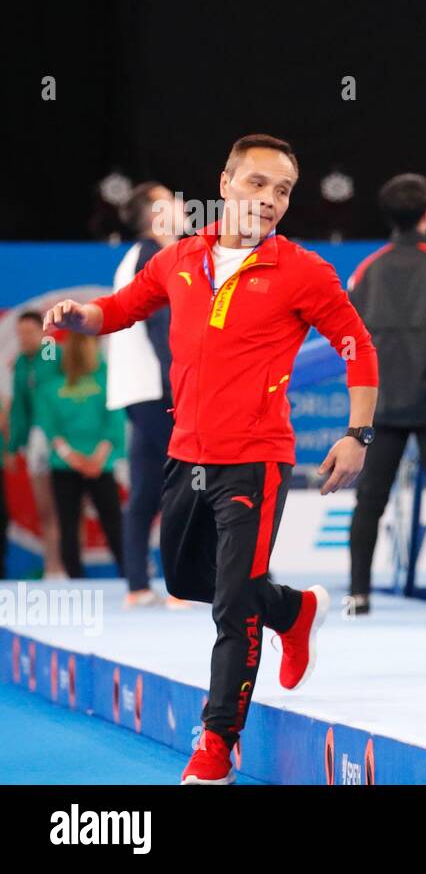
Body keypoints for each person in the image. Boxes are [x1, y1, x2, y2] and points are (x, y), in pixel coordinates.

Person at [43, 133, 380, 782]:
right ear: (223, 185)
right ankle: (293, 610)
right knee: (186, 583)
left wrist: (357, 433)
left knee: (231, 608)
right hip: (185, 454)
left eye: (282, 191)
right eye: (257, 183)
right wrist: (80, 316)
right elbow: (121, 309)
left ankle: (216, 743)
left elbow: (357, 347)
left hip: (257, 459)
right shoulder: (178, 261)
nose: (270, 200)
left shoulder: (305, 272)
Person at [346, 173, 426, 616]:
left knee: (370, 499)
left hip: (381, 404)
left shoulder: (364, 272)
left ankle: (358, 594)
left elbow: (353, 339)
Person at [106, 182, 187, 607]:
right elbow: (162, 329)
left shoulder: (134, 257)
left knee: (146, 488)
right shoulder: (156, 257)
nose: (182, 204)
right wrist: (185, 387)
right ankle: (181, 585)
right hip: (159, 388)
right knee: (186, 482)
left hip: (140, 388)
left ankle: (137, 585)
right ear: (157, 214)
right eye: (172, 201)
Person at [35, 332, 126, 578]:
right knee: (73, 522)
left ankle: (128, 574)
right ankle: (80, 576)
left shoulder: (103, 372)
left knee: (103, 521)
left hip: (92, 462)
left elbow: (115, 415)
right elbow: (47, 419)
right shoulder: (53, 376)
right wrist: (81, 456)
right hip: (77, 462)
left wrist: (93, 455)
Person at [7, 311, 64, 576]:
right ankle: (51, 566)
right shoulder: (20, 363)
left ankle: (65, 566)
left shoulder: (51, 350)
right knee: (46, 508)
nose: (24, 339)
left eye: (30, 333)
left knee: (66, 506)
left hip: (59, 440)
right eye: (20, 334)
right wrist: (11, 446)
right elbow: (19, 406)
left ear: (42, 333)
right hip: (35, 443)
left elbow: (55, 387)